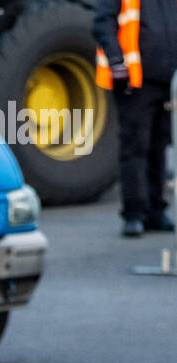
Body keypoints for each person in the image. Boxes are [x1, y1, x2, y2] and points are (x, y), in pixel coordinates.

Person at [94, 0, 177, 236]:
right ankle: (134, 213)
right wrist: (117, 62)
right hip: (135, 82)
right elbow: (103, 24)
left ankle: (156, 211)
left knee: (159, 148)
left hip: (168, 81)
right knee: (135, 148)